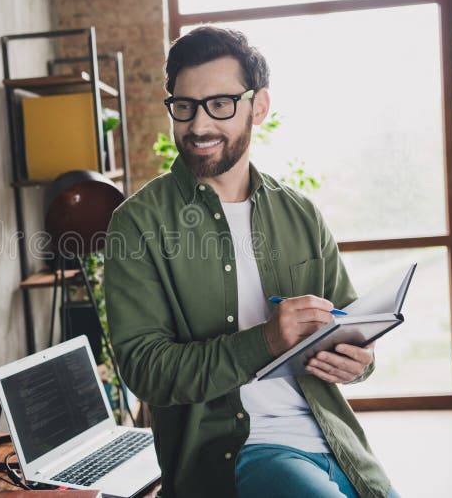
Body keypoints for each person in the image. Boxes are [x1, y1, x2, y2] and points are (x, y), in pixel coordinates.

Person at [103, 26, 398, 498]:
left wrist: (358, 362)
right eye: (184, 106)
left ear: (258, 106)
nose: (198, 125)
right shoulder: (137, 223)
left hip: (341, 445)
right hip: (243, 453)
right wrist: (265, 341)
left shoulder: (300, 213)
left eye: (220, 104)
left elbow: (351, 326)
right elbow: (145, 370)